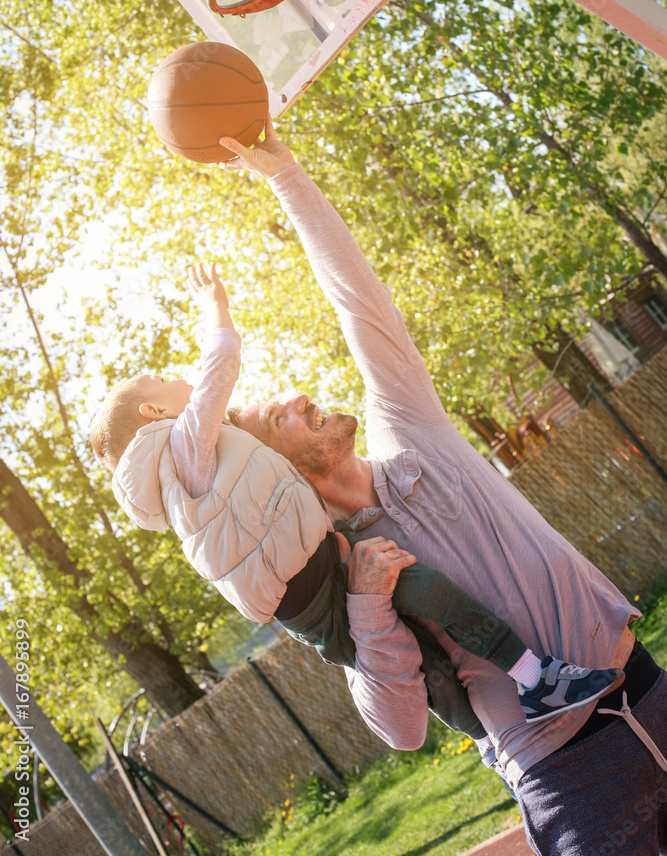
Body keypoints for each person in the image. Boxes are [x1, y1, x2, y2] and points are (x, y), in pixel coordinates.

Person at [217, 118, 667, 856]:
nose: (299, 395)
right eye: (280, 414)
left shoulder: (409, 431)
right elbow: (398, 729)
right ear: (280, 470)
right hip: (571, 775)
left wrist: (285, 177)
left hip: (647, 684)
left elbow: (359, 304)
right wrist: (366, 601)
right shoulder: (345, 575)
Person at [90, 264, 622, 753]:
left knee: (428, 590)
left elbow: (256, 508)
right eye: (161, 377)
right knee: (423, 661)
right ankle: (505, 737)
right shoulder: (184, 453)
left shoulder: (202, 472)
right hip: (312, 601)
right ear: (154, 411)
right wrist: (214, 306)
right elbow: (221, 362)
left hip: (325, 567)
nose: (175, 375)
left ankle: (535, 682)